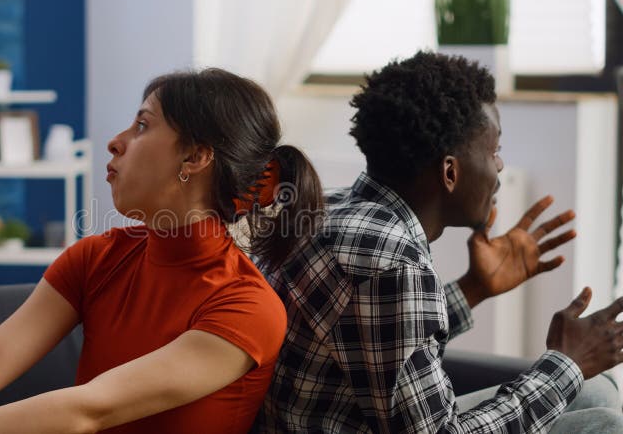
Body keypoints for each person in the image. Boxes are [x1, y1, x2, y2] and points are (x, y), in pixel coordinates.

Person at [0, 68, 324, 434]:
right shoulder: (97, 257)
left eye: (143, 126)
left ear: (195, 157)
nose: (115, 141)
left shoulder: (248, 307)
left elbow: (91, 409)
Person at [253, 52, 623, 433]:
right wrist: (566, 362)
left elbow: (374, 335)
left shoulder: (332, 205)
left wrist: (474, 288)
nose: (499, 167)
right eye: (494, 150)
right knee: (604, 422)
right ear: (450, 172)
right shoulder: (392, 261)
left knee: (596, 391)